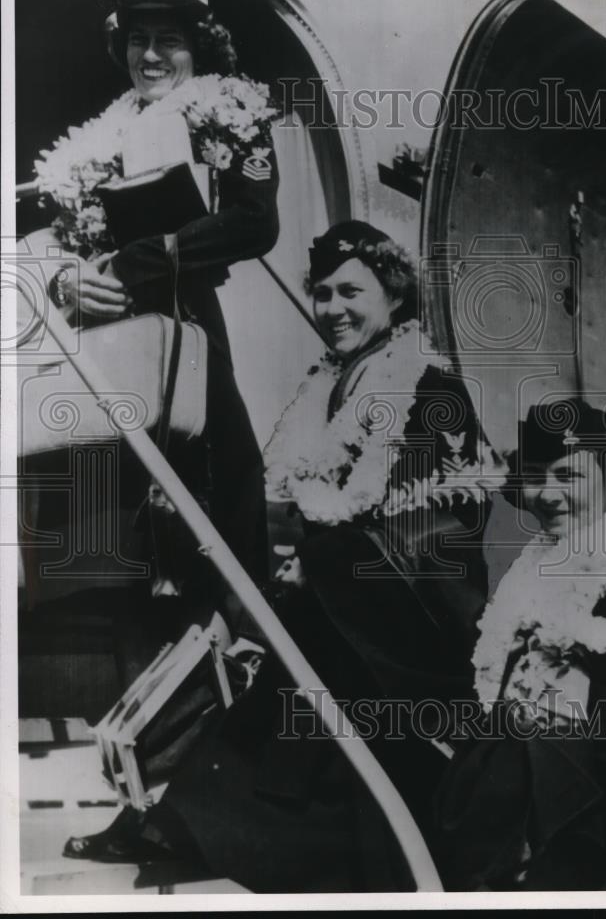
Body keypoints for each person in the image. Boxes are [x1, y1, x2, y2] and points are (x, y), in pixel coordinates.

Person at [64, 220, 504, 890]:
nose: (332, 310)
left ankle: (209, 833)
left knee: (294, 687)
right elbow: (290, 492)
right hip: (335, 601)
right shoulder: (326, 384)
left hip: (403, 621)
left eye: (350, 291)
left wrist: (324, 563)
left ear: (395, 294)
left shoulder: (430, 387)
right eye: (321, 293)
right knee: (265, 679)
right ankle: (186, 827)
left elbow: (444, 522)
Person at [31, 0, 281, 654]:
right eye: (138, 39)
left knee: (224, 483)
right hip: (109, 347)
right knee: (106, 514)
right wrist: (72, 285)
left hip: (189, 327)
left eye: (168, 39)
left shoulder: (226, 109)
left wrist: (141, 259)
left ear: (199, 46)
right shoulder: (98, 140)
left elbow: (254, 222)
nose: (150, 56)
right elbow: (67, 252)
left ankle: (239, 655)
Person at [434, 397, 606, 891]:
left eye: (569, 477)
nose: (547, 494)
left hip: (578, 824)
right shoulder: (544, 560)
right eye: (536, 476)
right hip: (528, 793)